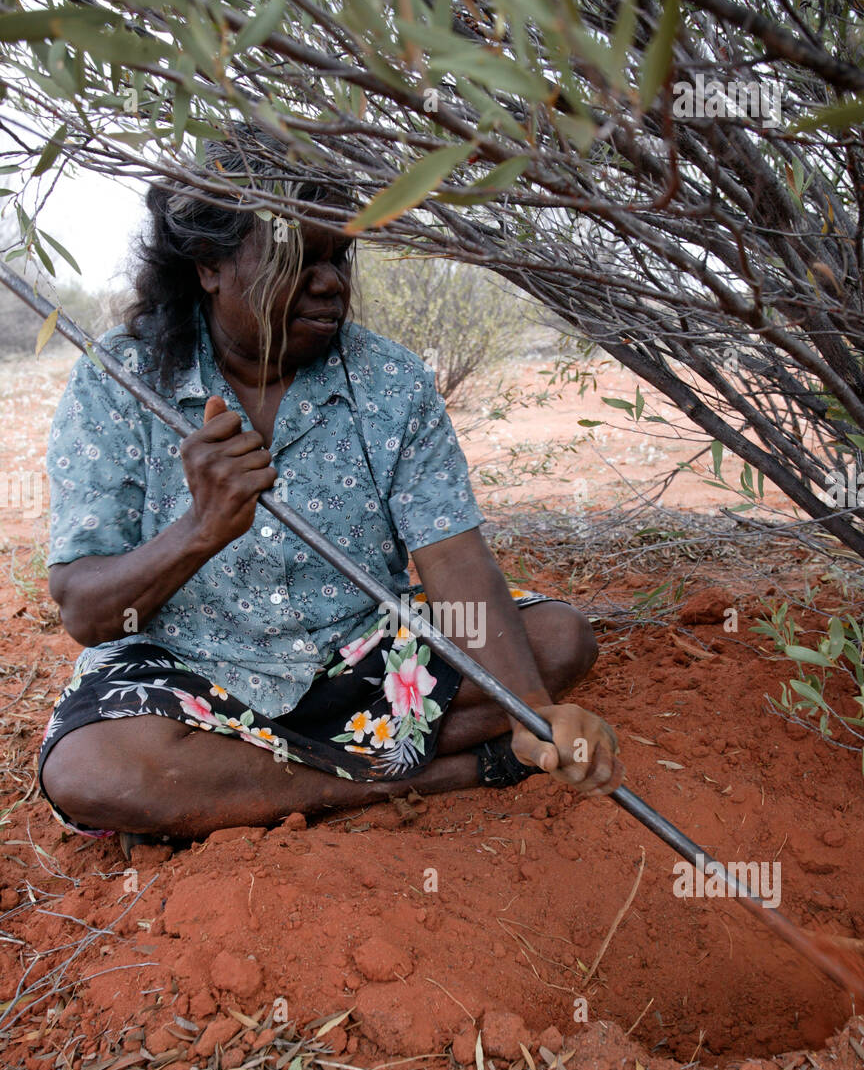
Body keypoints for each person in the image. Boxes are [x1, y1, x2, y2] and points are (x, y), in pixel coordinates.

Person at [39, 133, 623, 850]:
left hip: (360, 659)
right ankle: (423, 776)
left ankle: (240, 788)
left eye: (337, 257)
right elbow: (91, 615)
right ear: (209, 267)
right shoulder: (119, 381)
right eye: (296, 259)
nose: (330, 283)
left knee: (554, 640)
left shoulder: (393, 384)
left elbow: (455, 563)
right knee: (93, 770)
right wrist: (200, 529)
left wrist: (531, 713)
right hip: (189, 680)